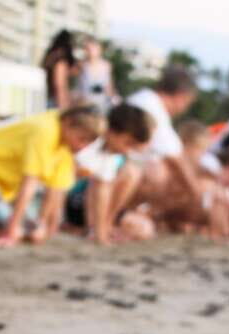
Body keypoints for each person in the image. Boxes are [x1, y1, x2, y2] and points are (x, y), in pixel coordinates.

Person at [0, 106, 104, 245]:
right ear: (68, 123)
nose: (82, 147)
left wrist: (43, 225)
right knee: (15, 229)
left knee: (30, 231)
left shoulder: (65, 145)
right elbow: (30, 181)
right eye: (81, 139)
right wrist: (12, 228)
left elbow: (55, 189)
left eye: (87, 143)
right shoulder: (44, 130)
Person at [64, 104, 154, 245]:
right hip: (69, 200)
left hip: (80, 202)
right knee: (114, 177)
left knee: (145, 229)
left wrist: (101, 232)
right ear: (111, 132)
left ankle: (100, 228)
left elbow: (103, 190)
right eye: (128, 143)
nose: (127, 150)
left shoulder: (109, 154)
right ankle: (92, 228)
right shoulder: (86, 142)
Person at [120, 67, 201, 215]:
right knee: (159, 172)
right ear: (181, 96)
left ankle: (126, 214)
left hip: (120, 167)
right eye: (188, 103)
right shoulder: (151, 106)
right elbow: (175, 158)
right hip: (120, 168)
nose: (184, 109)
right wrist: (197, 194)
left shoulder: (148, 100)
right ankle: (120, 214)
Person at [75, 37, 115, 113]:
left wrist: (113, 99)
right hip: (86, 102)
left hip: (103, 103)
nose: (90, 52)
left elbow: (110, 86)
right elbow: (78, 86)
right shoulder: (81, 65)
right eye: (87, 49)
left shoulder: (106, 65)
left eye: (92, 48)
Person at [41, 29, 76, 110]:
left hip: (47, 99)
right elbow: (59, 85)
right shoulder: (60, 61)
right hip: (56, 102)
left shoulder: (50, 58)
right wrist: (63, 105)